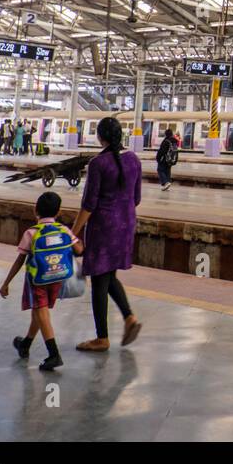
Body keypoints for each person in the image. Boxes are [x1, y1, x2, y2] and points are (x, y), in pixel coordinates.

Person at [70, 117, 143, 352]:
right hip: (126, 225)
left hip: (103, 227)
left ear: (100, 137)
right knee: (109, 275)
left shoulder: (98, 163)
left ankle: (102, 338)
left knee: (100, 279)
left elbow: (89, 204)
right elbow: (137, 198)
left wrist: (73, 233)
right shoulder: (133, 159)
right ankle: (129, 318)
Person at [0, 191, 82, 371]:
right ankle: (26, 344)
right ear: (59, 212)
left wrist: (6, 283)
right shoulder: (64, 230)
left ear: (35, 210)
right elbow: (78, 249)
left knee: (41, 312)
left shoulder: (31, 233)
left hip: (37, 280)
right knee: (39, 312)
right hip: (58, 278)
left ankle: (54, 354)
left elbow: (20, 260)